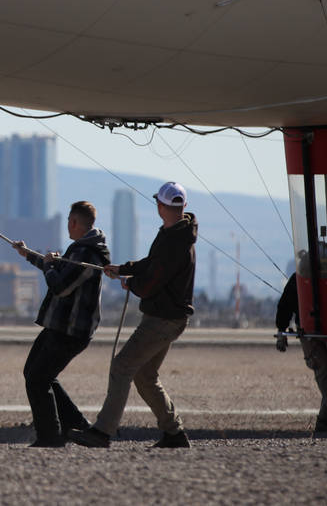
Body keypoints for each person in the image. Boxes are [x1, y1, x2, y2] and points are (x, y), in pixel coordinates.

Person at [70, 182, 196, 449]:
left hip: (162, 319)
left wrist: (132, 283)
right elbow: (152, 264)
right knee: (145, 375)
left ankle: (102, 432)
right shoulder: (176, 234)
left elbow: (154, 279)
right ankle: (174, 433)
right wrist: (125, 269)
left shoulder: (174, 240)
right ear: (182, 206)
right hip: (169, 318)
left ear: (160, 206)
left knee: (123, 366)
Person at [12, 201, 110, 448]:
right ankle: (75, 425)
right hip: (59, 327)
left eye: (69, 220)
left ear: (74, 222)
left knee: (38, 379)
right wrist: (30, 255)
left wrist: (46, 265)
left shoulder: (87, 253)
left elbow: (60, 286)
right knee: (35, 374)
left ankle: (50, 436)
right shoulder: (80, 249)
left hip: (71, 331)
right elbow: (58, 270)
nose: (67, 224)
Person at [275, 274, 327, 432]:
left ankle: (323, 420)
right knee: (324, 370)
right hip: (308, 332)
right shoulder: (298, 279)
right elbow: (285, 306)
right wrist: (281, 331)